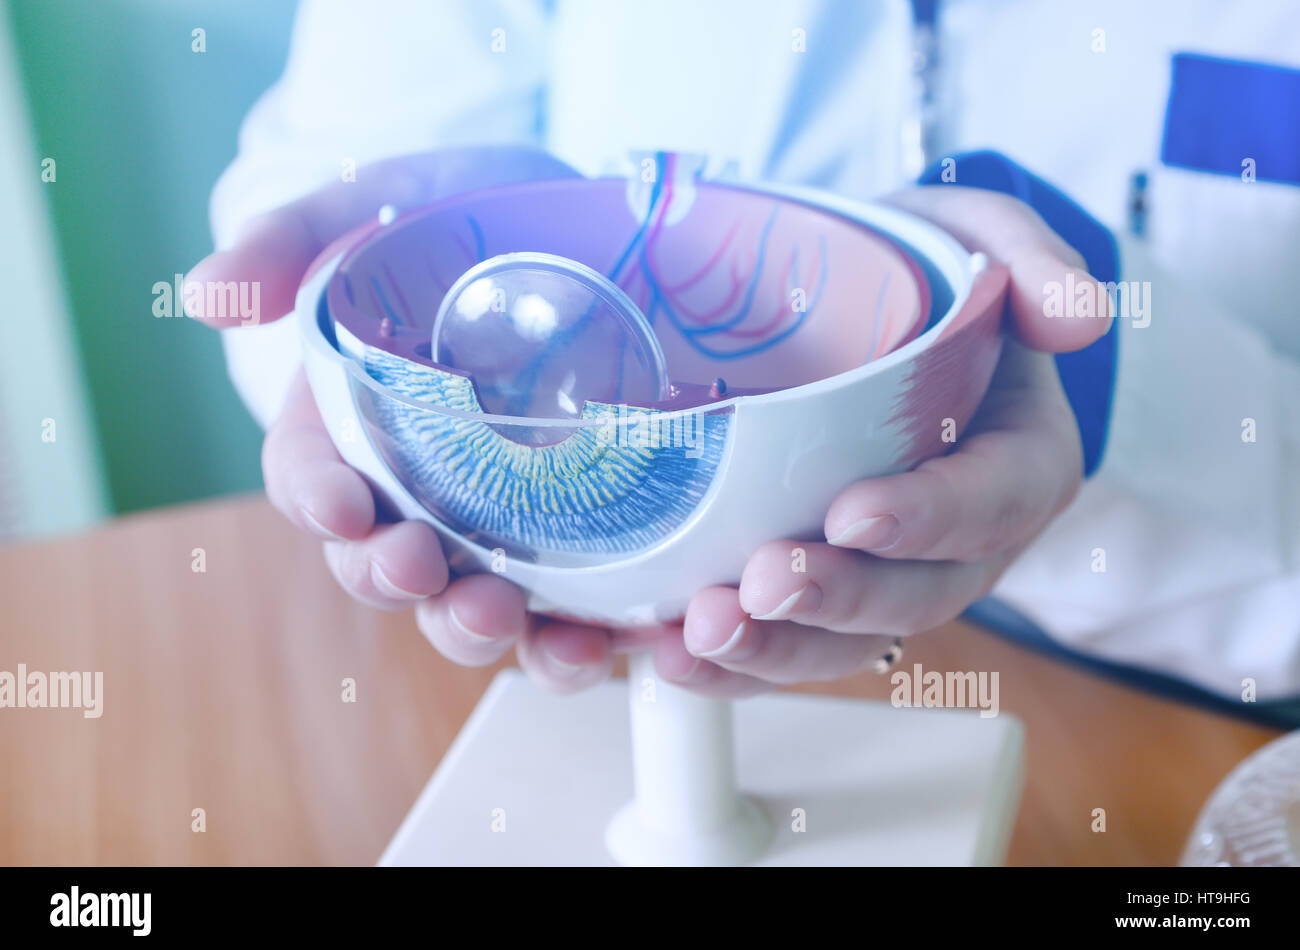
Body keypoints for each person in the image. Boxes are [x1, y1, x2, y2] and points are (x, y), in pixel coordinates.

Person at [186, 1, 1300, 715]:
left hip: (1177, 706)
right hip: (596, 664)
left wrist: (1085, 386)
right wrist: (378, 310)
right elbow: (331, 163)